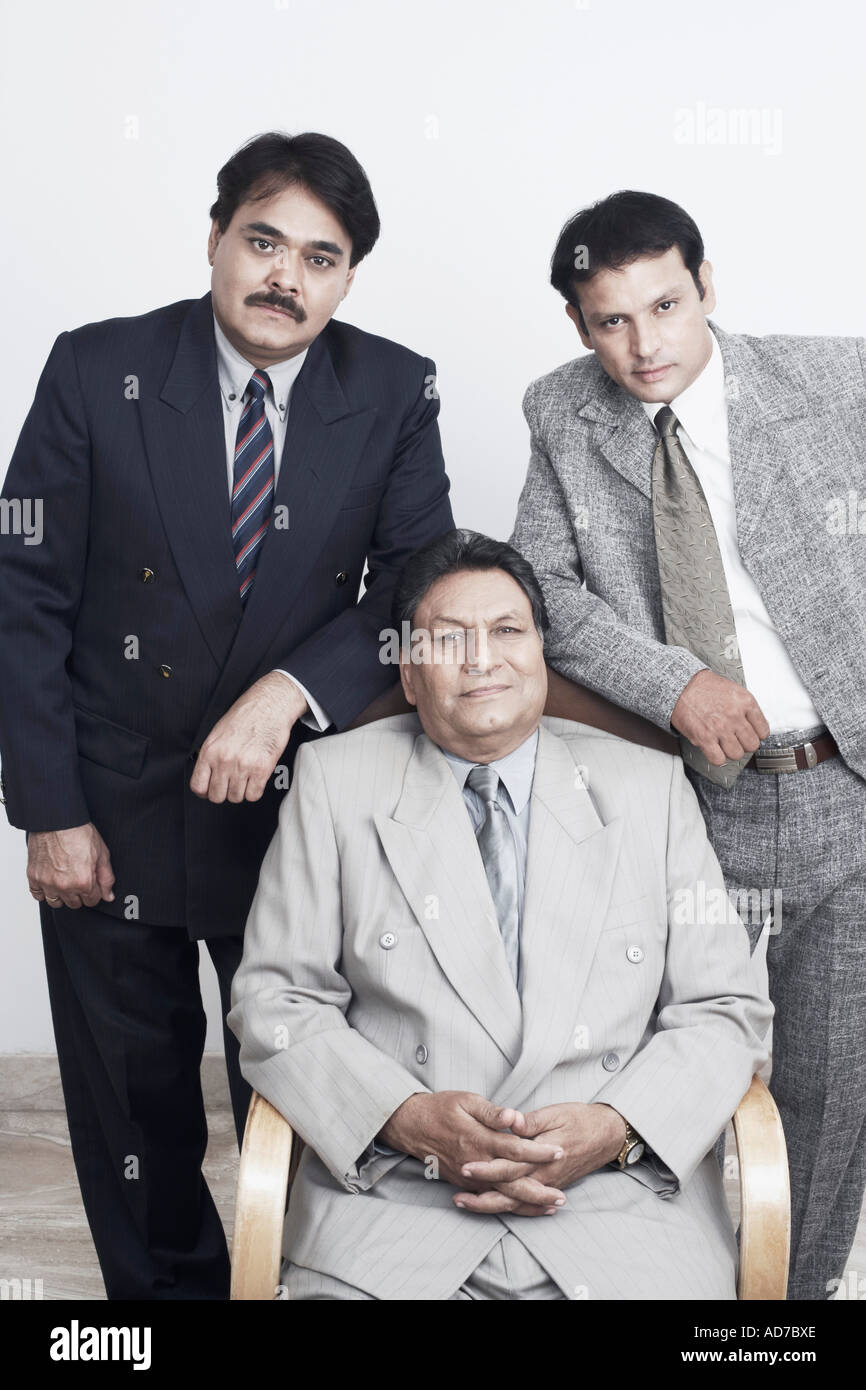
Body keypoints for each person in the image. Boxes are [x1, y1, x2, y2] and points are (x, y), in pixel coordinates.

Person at [0, 130, 453, 1299]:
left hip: (299, 816)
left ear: (347, 278)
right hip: (108, 809)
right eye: (262, 241)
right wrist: (49, 807)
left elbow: (414, 583)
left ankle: (304, 1284)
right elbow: (24, 593)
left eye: (320, 256)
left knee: (300, 1088)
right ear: (214, 240)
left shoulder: (393, 386)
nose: (283, 278)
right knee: (136, 1105)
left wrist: (284, 692)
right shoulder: (97, 369)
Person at [228, 529, 771, 1300]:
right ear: (411, 677)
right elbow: (275, 1001)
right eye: (448, 640)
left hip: (618, 1211)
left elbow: (727, 1007)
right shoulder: (334, 784)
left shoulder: (649, 788)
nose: (482, 658)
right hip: (395, 1207)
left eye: (508, 632)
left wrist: (617, 1127)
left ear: (541, 654)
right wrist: (408, 1119)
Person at [509, 189, 866, 1300]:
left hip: (841, 787)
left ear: (706, 286)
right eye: (609, 319)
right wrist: (677, 684)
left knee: (827, 1087)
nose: (643, 343)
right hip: (681, 800)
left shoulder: (834, 382)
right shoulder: (563, 413)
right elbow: (542, 596)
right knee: (636, 1062)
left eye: (664, 305)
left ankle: (785, 1310)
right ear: (578, 327)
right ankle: (638, 1284)